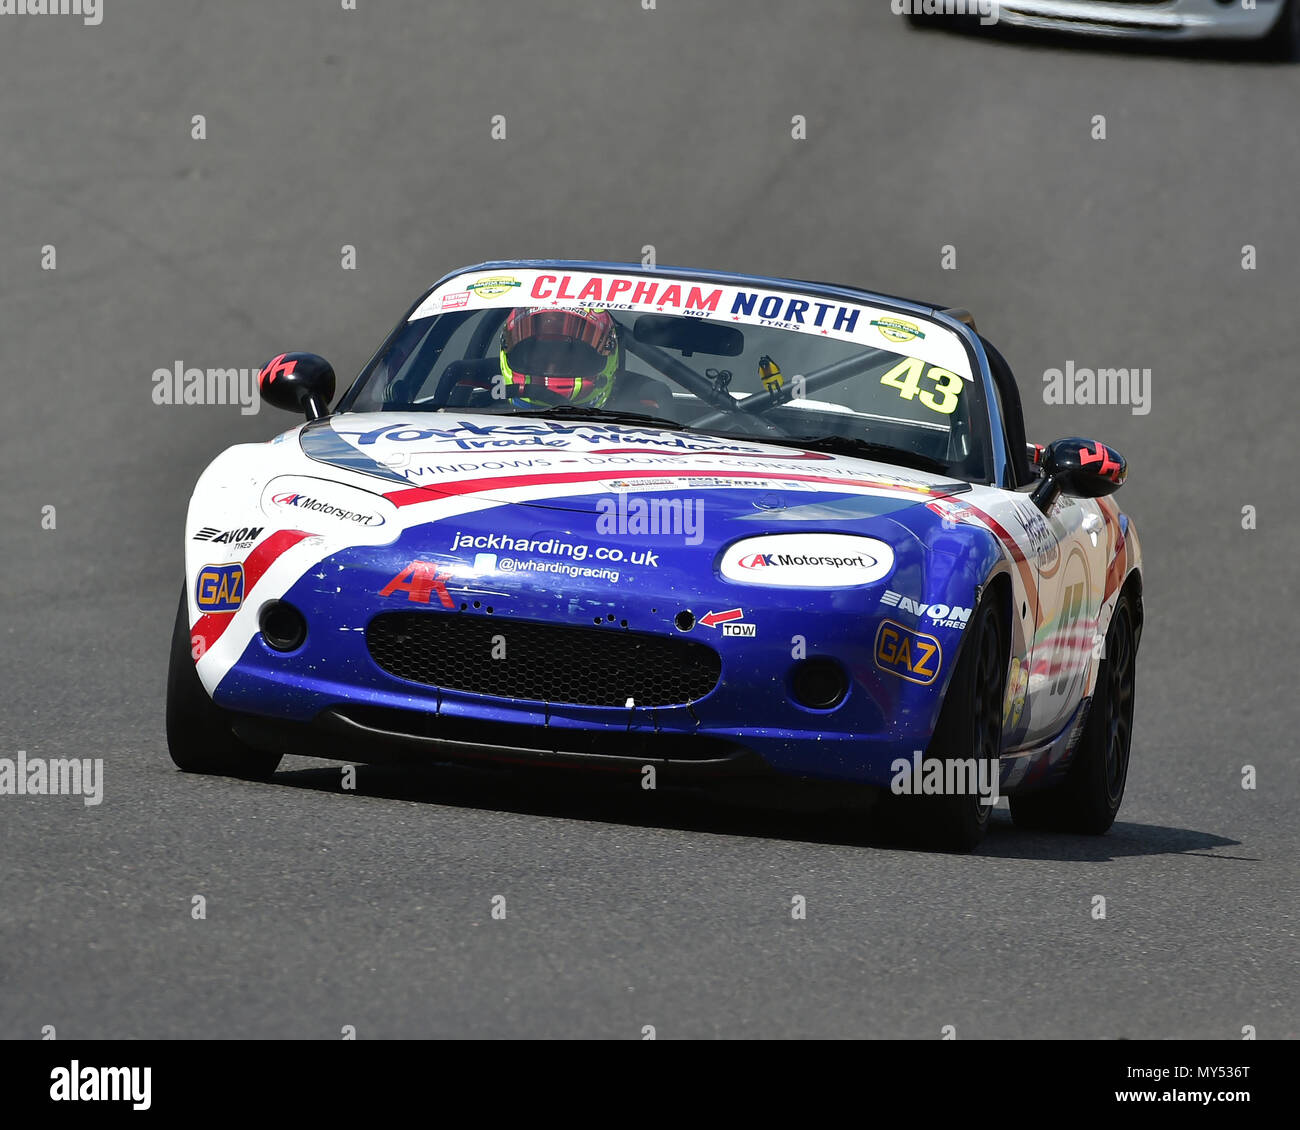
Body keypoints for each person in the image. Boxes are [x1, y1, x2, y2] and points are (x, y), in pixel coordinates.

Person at [498, 306, 670, 412]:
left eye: (567, 360)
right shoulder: (476, 406)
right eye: (540, 357)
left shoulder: (646, 418)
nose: (551, 368)